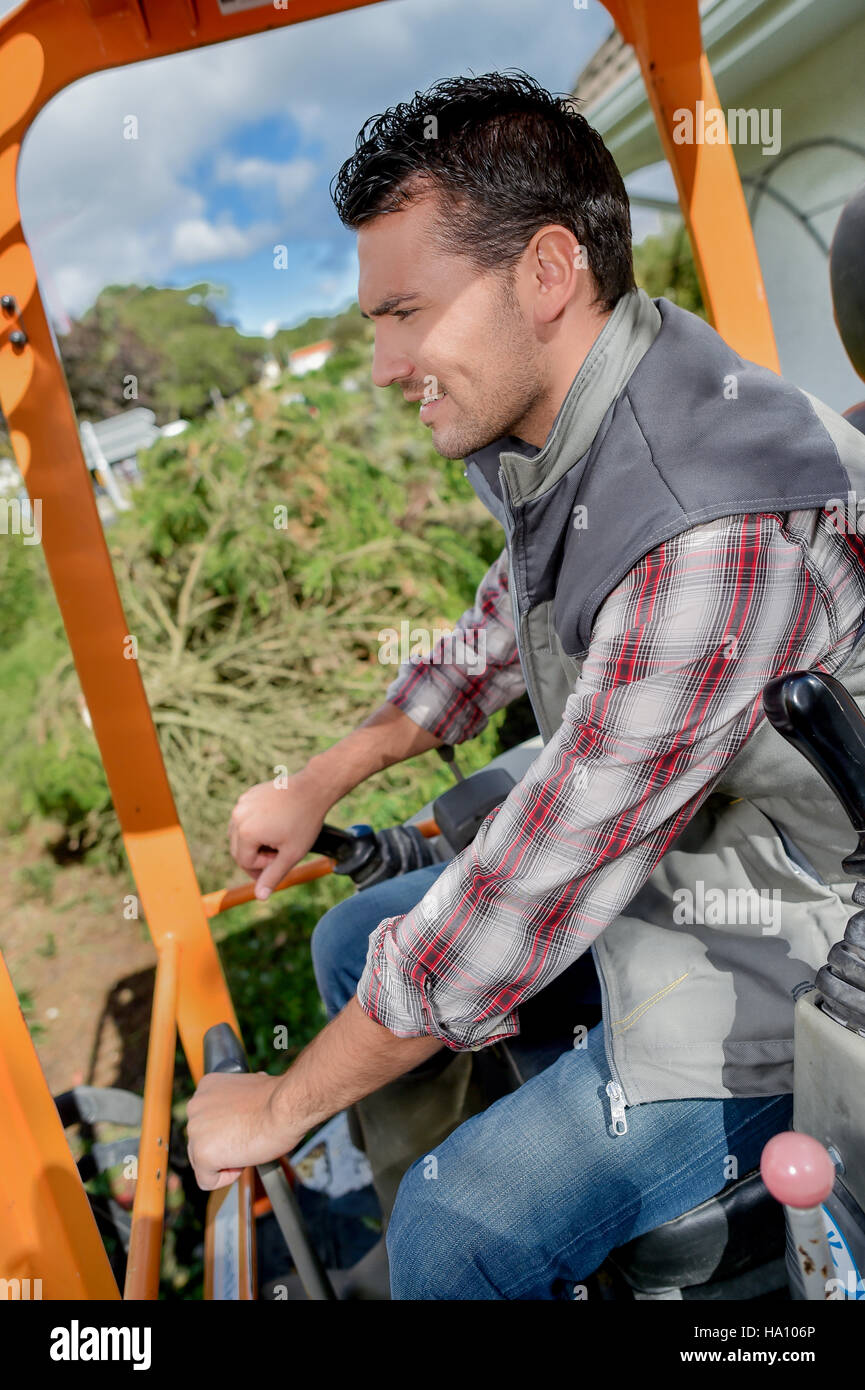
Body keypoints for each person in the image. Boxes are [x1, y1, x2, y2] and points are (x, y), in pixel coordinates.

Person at [187, 71, 865, 1300]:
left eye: (406, 312)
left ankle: (457, 1256)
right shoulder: (576, 428)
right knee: (351, 941)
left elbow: (524, 898)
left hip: (799, 946)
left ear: (547, 273)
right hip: (692, 854)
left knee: (465, 1231)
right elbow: (497, 628)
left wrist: (279, 1103)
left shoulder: (702, 523)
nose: (387, 364)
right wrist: (323, 776)